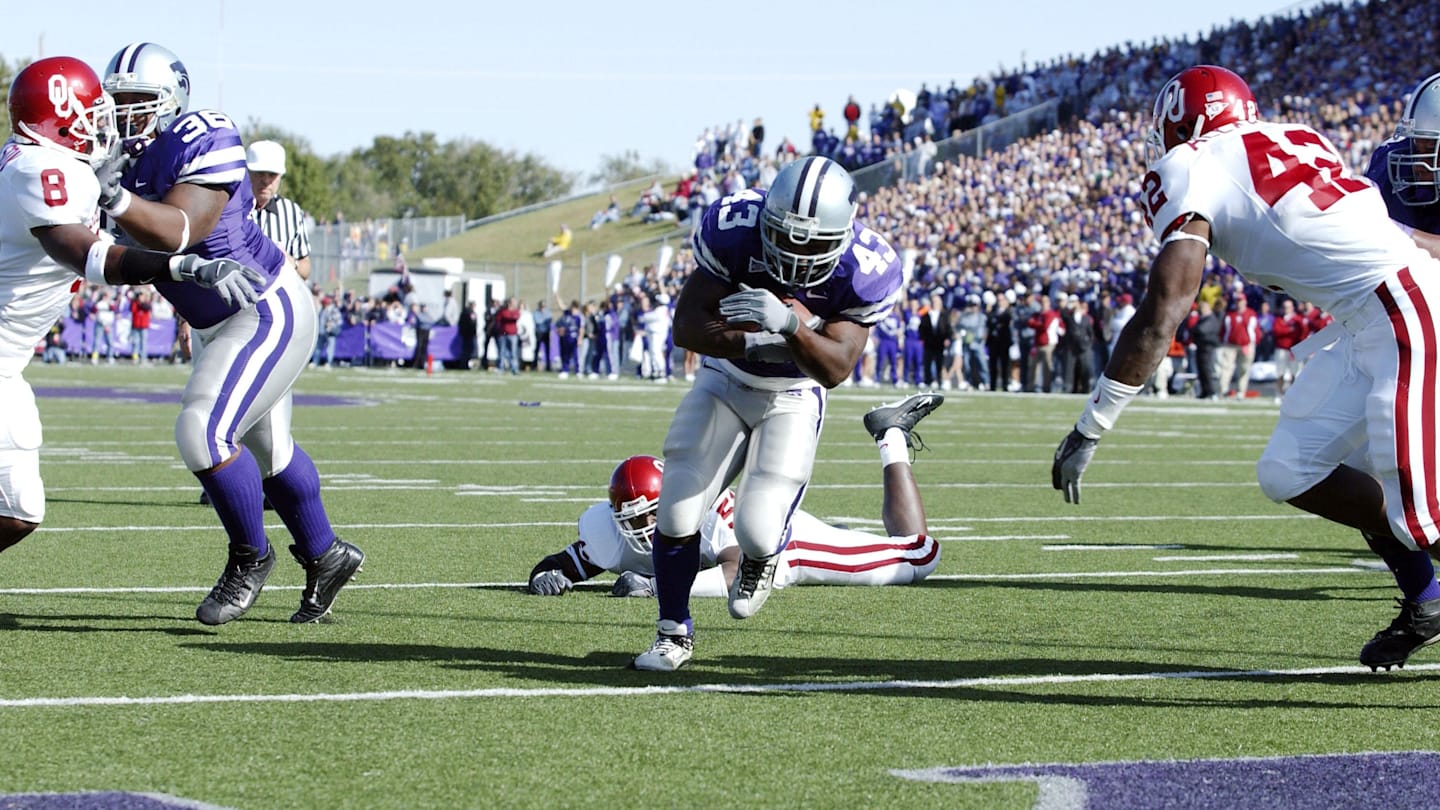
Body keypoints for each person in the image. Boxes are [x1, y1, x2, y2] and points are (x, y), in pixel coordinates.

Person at [1051, 65, 1440, 673]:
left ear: (1190, 121)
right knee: (1290, 468)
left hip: (1404, 314)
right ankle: (1427, 600)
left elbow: (1166, 308)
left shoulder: (1190, 164)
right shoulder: (1299, 136)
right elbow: (1381, 231)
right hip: (1371, 318)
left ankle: (1426, 586)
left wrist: (1091, 424)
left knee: (1421, 515)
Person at [99, 42, 363, 625]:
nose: (124, 117)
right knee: (271, 452)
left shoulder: (202, 134)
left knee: (204, 431)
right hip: (212, 322)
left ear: (173, 101)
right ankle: (325, 554)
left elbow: (179, 229)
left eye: (138, 102)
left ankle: (250, 557)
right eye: (116, 103)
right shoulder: (110, 156)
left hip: (264, 306)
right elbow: (103, 256)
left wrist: (113, 197)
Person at [631, 156, 905, 672]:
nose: (798, 255)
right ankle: (673, 632)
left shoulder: (865, 267)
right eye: (785, 236)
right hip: (725, 378)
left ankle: (763, 555)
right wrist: (757, 340)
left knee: (756, 528)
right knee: (677, 509)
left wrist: (790, 327)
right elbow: (687, 327)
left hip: (794, 394)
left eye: (813, 244)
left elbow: (836, 367)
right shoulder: (736, 230)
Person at [0, 56, 266, 560]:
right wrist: (185, 268)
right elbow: (88, 254)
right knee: (18, 509)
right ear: (63, 119)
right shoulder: (44, 168)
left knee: (17, 507)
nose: (106, 125)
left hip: (7, 364)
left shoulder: (26, 158)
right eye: (94, 114)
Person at [527, 396, 943, 599]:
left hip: (781, 549)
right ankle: (845, 532)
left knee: (921, 556)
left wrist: (659, 587)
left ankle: (891, 435)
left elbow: (736, 570)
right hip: (755, 548)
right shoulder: (611, 530)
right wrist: (546, 575)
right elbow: (566, 562)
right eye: (630, 520)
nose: (639, 530)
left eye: (647, 516)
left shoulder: (704, 510)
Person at [1365, 71, 1440, 258]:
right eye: (1417, 144)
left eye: (1431, 147)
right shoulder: (1390, 161)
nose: (1419, 162)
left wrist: (1390, 232)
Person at [245, 140, 311, 281]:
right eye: (259, 173)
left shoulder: (291, 212)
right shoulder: (230, 208)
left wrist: (291, 262)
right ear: (247, 172)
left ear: (280, 177)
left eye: (272, 175)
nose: (265, 180)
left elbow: (306, 269)